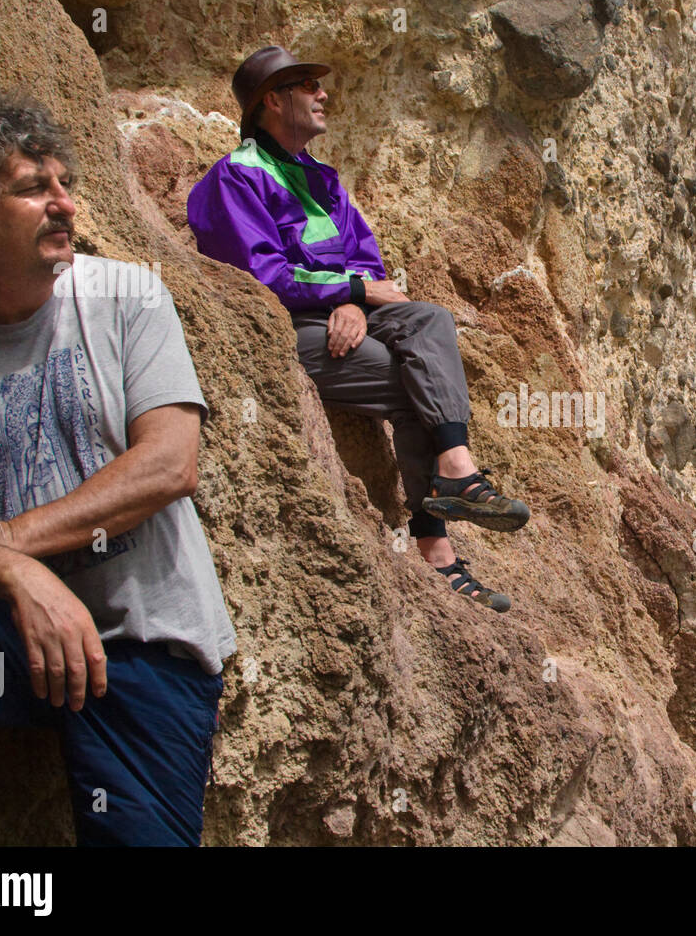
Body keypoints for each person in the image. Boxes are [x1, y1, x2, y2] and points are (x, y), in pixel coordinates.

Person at [0, 93, 236, 845]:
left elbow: (168, 464)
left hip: (140, 639)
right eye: (32, 188)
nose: (63, 203)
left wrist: (12, 538)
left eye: (64, 183)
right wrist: (21, 577)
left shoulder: (128, 295)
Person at [187, 46, 529, 613]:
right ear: (273, 100)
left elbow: (369, 265)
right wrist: (347, 293)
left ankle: (455, 472)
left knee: (430, 317)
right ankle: (437, 545)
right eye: (308, 87)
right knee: (413, 387)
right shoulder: (234, 178)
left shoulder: (323, 179)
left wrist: (356, 302)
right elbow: (262, 275)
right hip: (283, 329)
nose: (324, 96)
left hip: (342, 318)